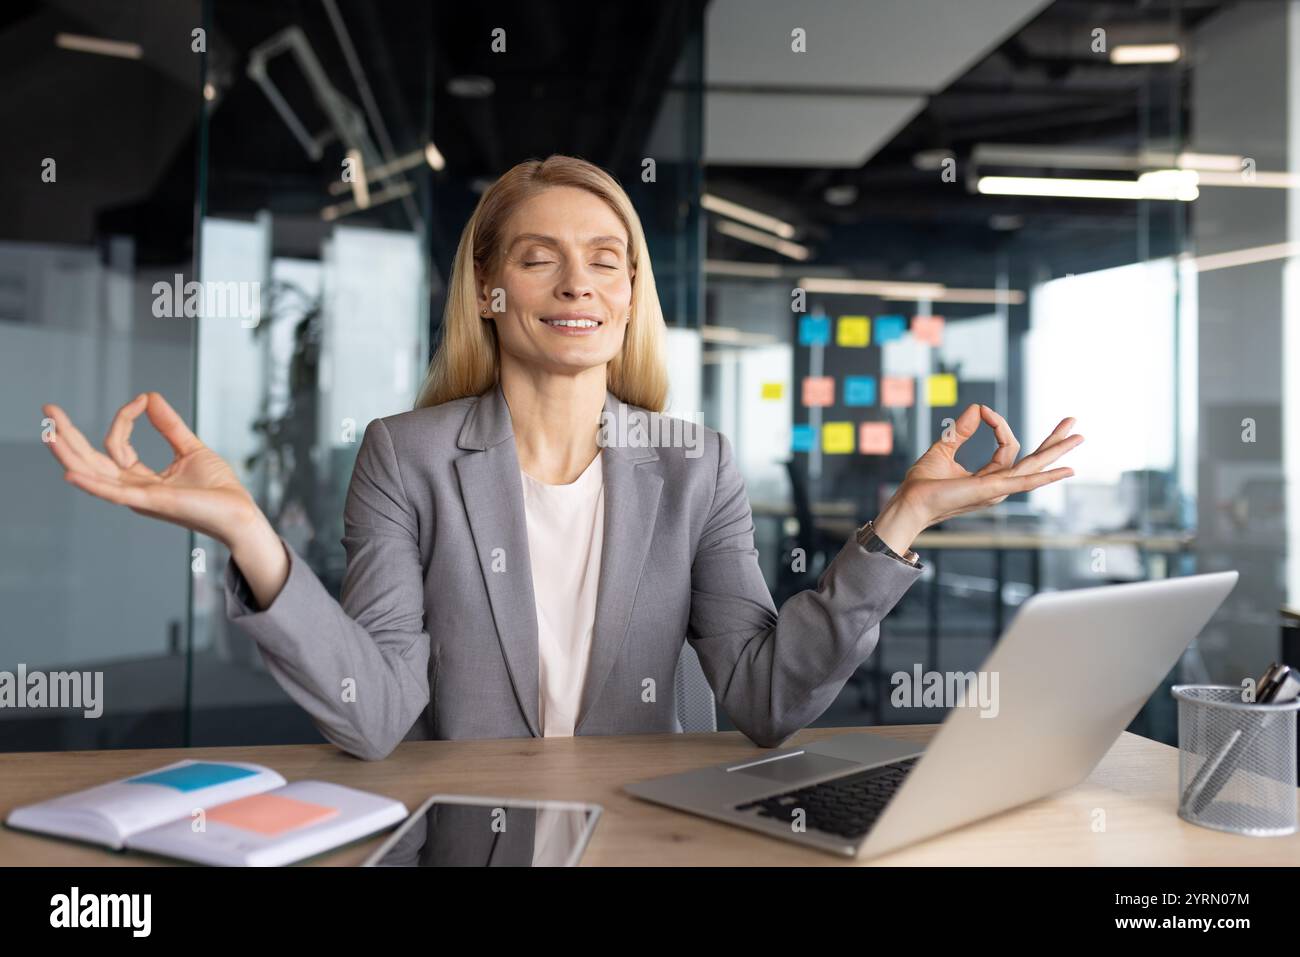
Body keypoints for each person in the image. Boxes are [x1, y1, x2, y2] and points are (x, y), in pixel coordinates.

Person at [42, 155, 1083, 760]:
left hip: (643, 838)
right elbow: (375, 717)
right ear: (489, 289)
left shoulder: (697, 464)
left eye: (606, 261)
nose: (577, 285)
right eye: (539, 259)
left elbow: (764, 701)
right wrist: (248, 534)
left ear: (630, 294)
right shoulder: (404, 458)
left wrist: (895, 528)